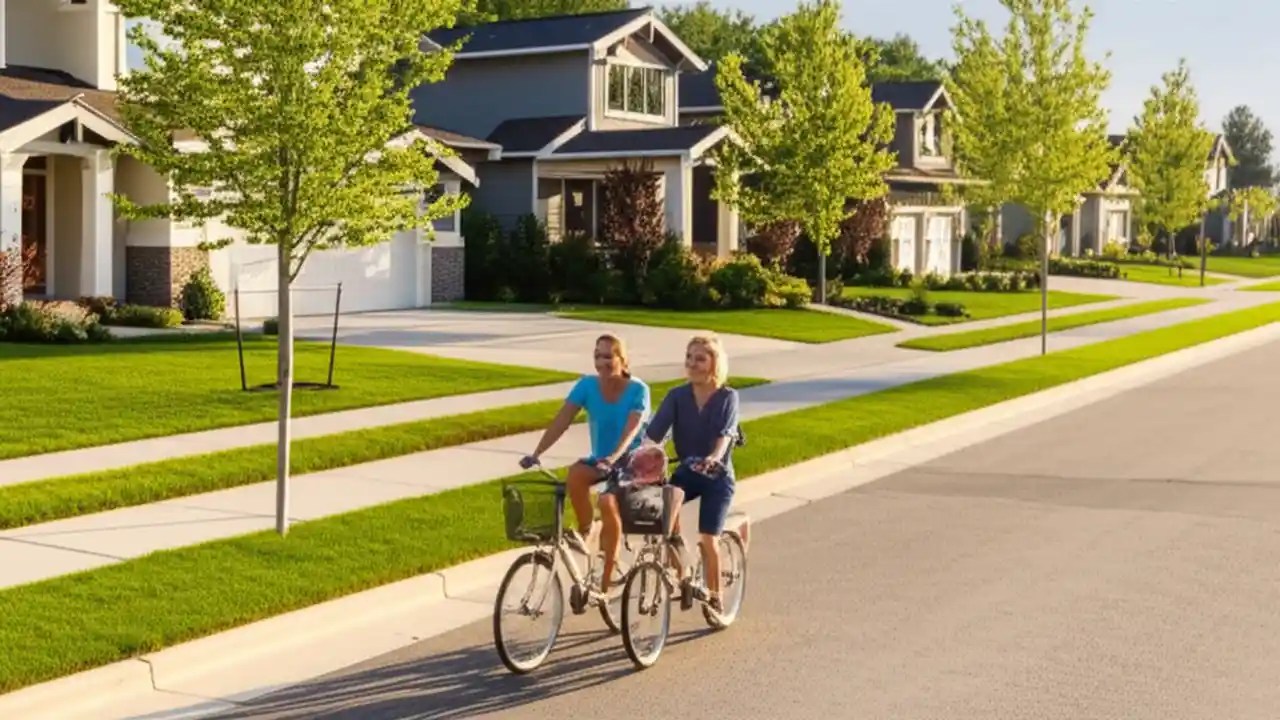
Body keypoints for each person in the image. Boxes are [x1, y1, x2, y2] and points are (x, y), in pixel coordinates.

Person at [522, 333, 650, 596]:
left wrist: (613, 459)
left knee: (607, 502)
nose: (601, 362)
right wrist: (536, 453)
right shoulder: (587, 386)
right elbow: (562, 420)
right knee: (576, 475)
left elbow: (630, 431)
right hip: (601, 459)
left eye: (608, 356)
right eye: (597, 356)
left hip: (630, 462)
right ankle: (588, 530)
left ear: (623, 361)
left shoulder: (639, 390)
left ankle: (604, 584)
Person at [638, 333, 739, 613]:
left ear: (714, 363)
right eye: (689, 357)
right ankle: (683, 574)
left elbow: (725, 436)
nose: (692, 364)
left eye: (700, 358)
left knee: (708, 539)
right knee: (666, 519)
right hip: (687, 472)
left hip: (717, 479)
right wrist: (641, 457)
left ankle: (716, 595)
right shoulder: (677, 396)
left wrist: (714, 458)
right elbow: (653, 436)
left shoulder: (727, 397)